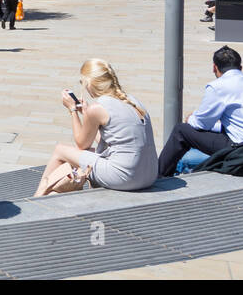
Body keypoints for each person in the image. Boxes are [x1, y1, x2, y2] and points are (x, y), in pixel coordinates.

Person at [157, 47, 243, 176]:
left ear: (214, 67)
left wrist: (190, 118)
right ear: (240, 68)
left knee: (181, 130)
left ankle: (159, 175)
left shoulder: (218, 86)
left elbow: (201, 124)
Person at [33, 59, 157, 196]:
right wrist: (86, 113)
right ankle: (48, 193)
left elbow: (81, 144)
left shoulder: (97, 108)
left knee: (60, 150)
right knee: (82, 154)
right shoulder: (133, 101)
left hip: (126, 177)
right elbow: (111, 140)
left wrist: (72, 110)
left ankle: (37, 198)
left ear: (89, 83)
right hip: (149, 174)